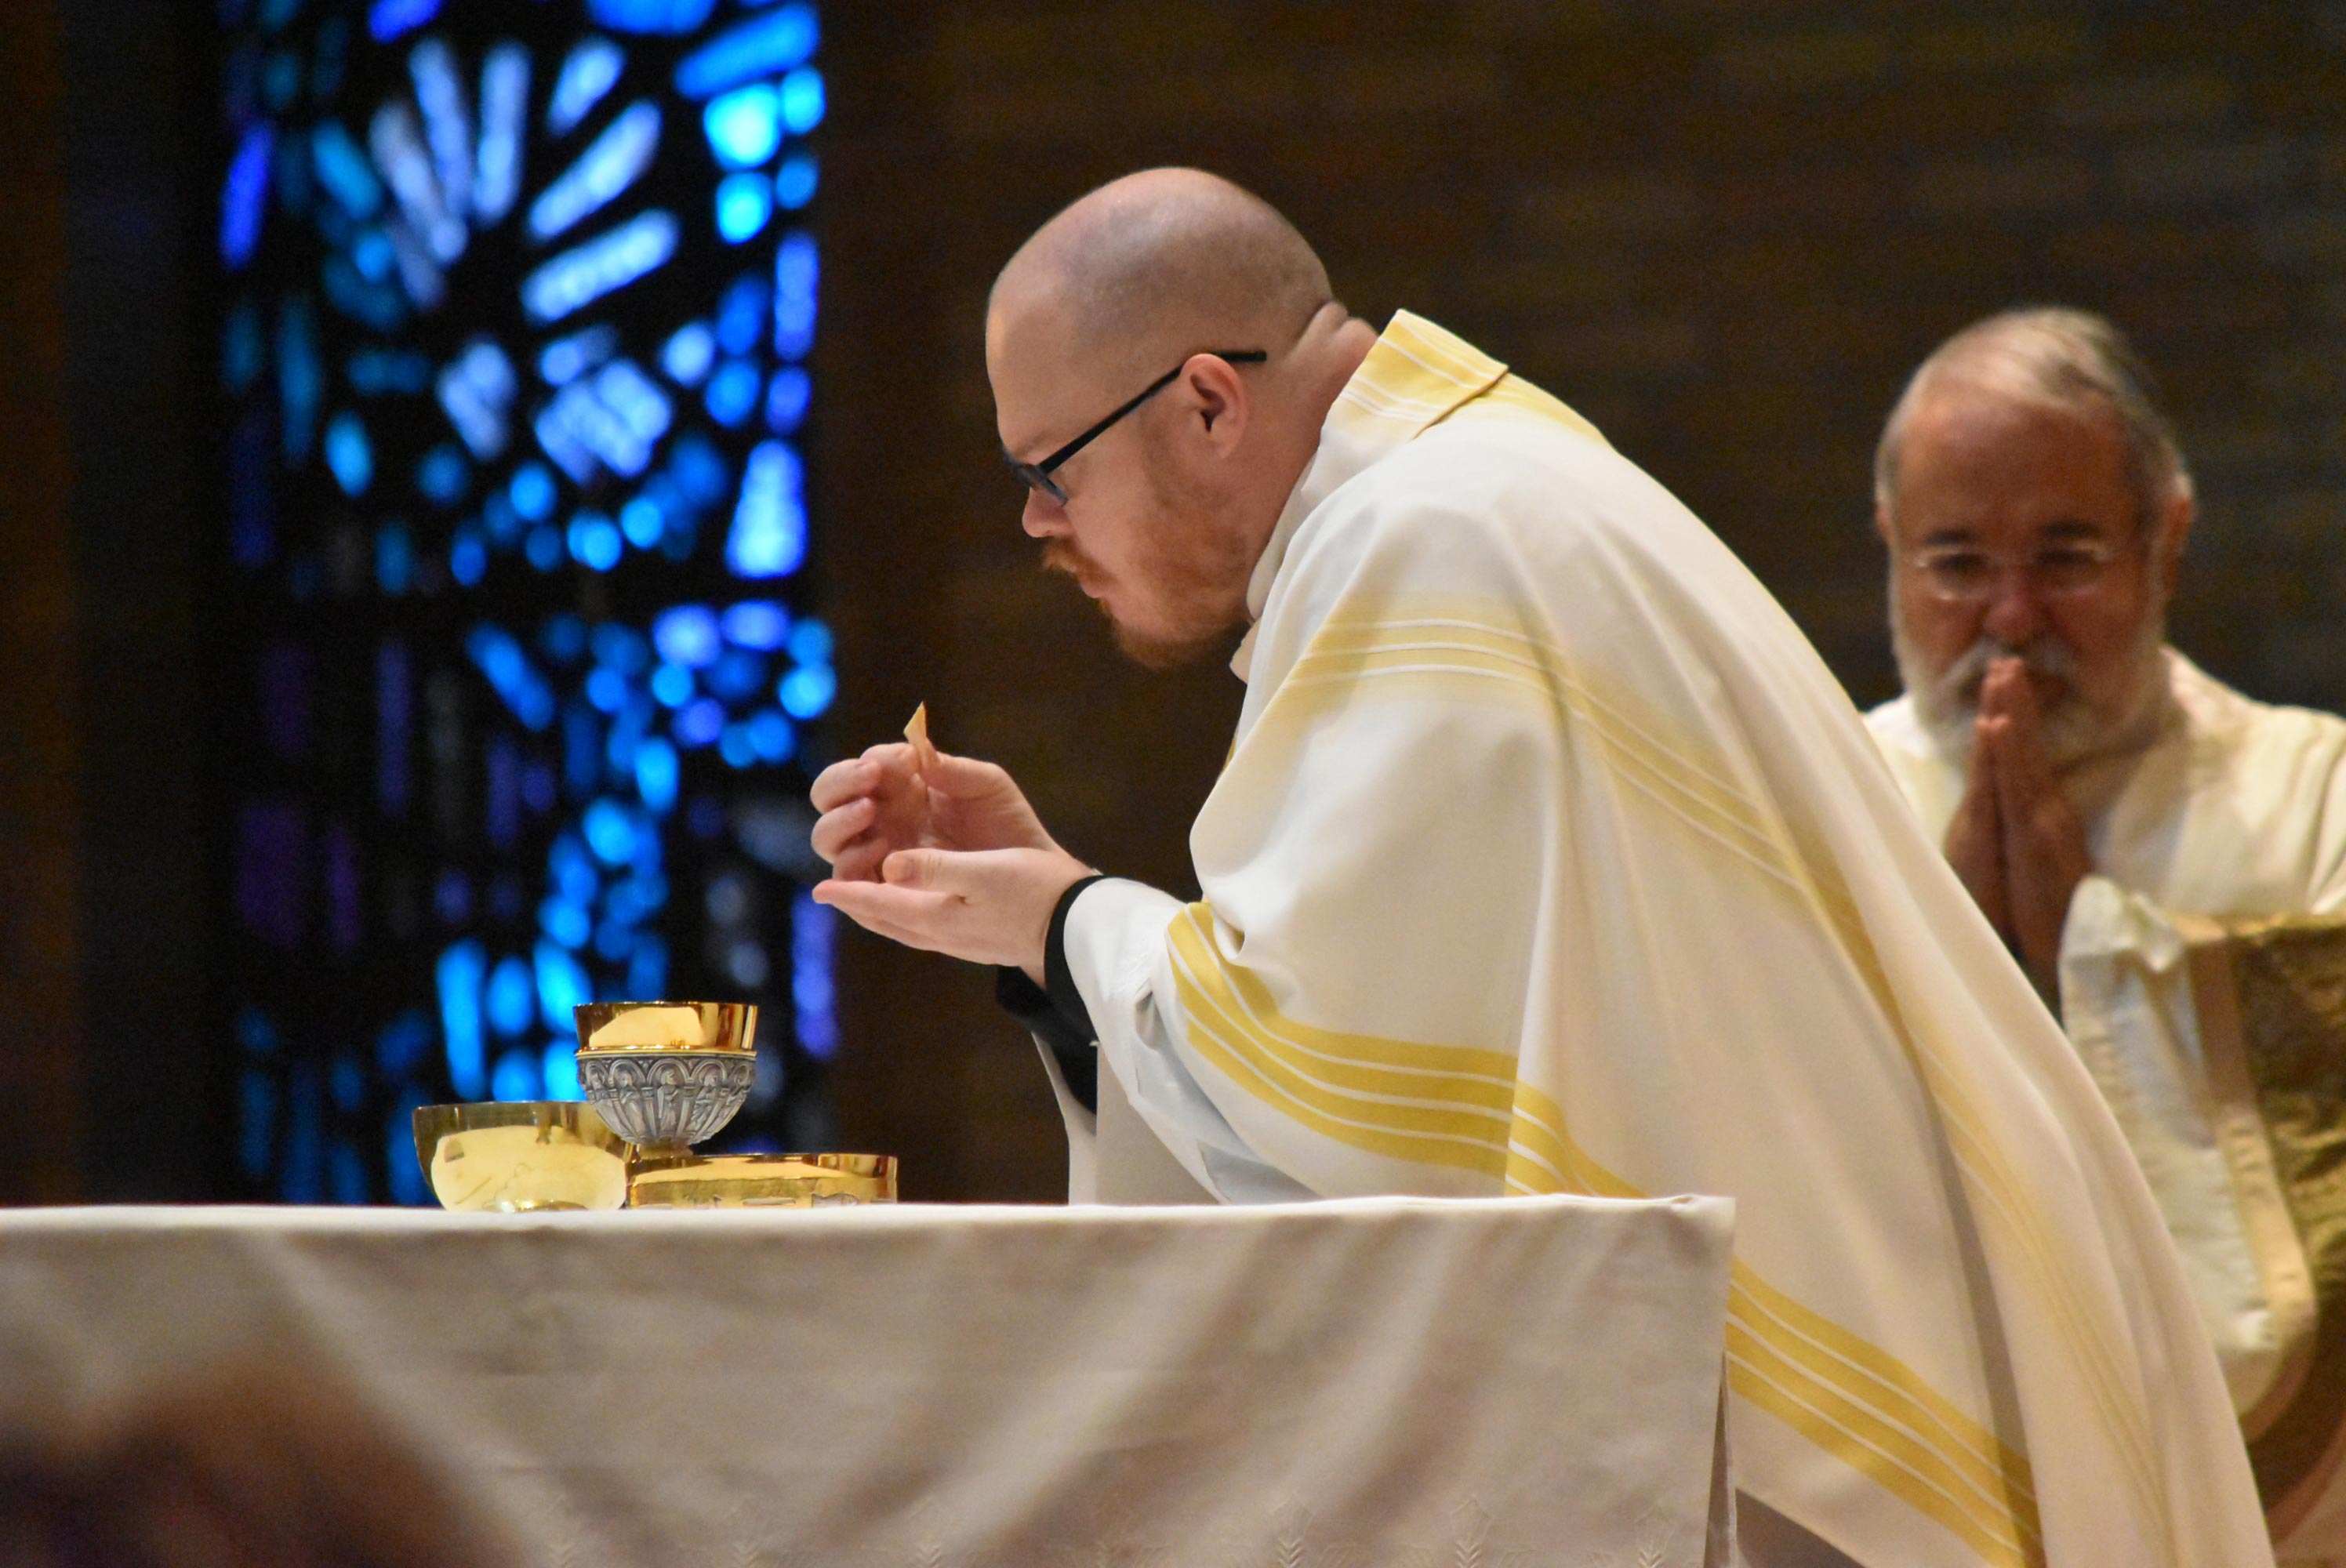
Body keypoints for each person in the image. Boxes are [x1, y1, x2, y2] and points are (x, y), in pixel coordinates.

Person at [811, 169, 2270, 1566]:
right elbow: (1398, 1054)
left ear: (1205, 401)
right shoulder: (1473, 494)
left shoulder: (1422, 539)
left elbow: (1337, 1099)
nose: (1034, 523)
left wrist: (1063, 922)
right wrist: (1052, 918)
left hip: (1813, 1481)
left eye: (1050, 468)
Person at [1864, 307, 2346, 1560]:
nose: (2013, 619)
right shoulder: (1813, 804)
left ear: (2166, 542)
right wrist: (1938, 965)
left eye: (2067, 556)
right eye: (1957, 563)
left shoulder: (2318, 800)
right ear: (1889, 548)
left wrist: (2097, 954)